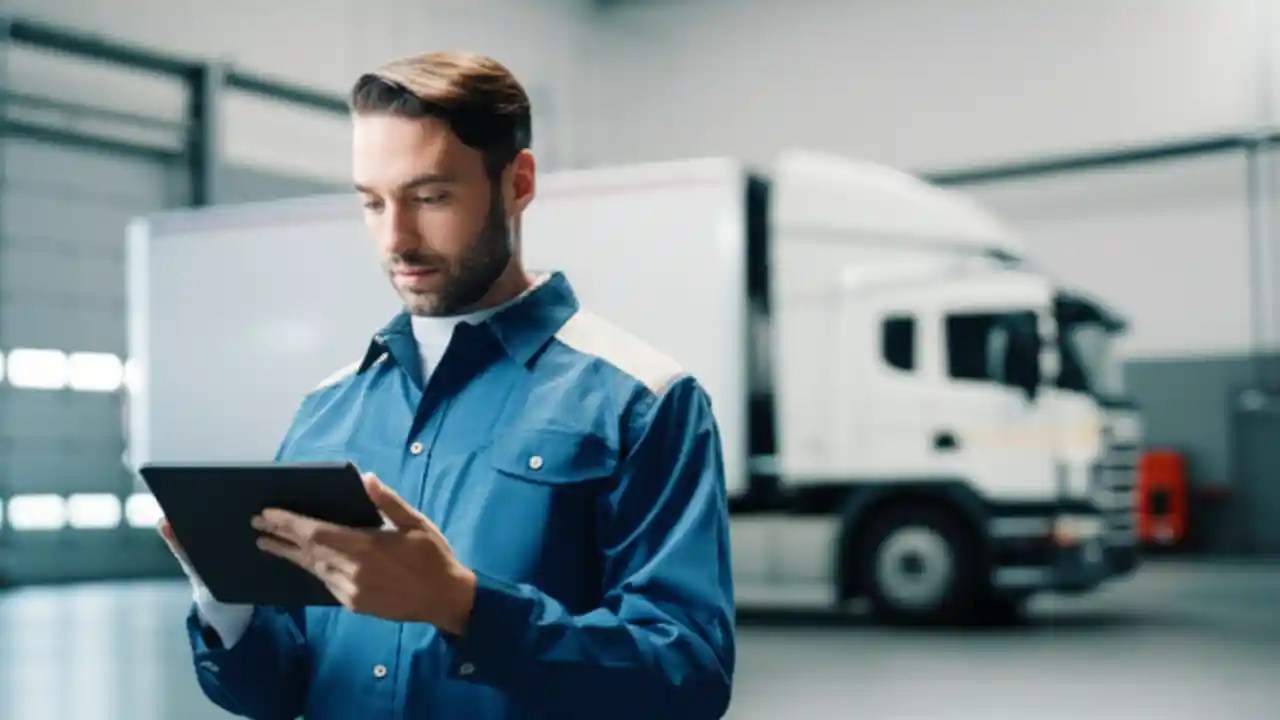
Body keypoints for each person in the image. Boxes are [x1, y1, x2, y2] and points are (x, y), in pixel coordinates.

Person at [156, 50, 736, 719]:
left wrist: (462, 605)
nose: (396, 238)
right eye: (372, 203)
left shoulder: (643, 401)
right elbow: (274, 691)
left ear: (518, 183)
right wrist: (225, 602)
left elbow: (688, 677)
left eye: (430, 197)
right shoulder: (327, 412)